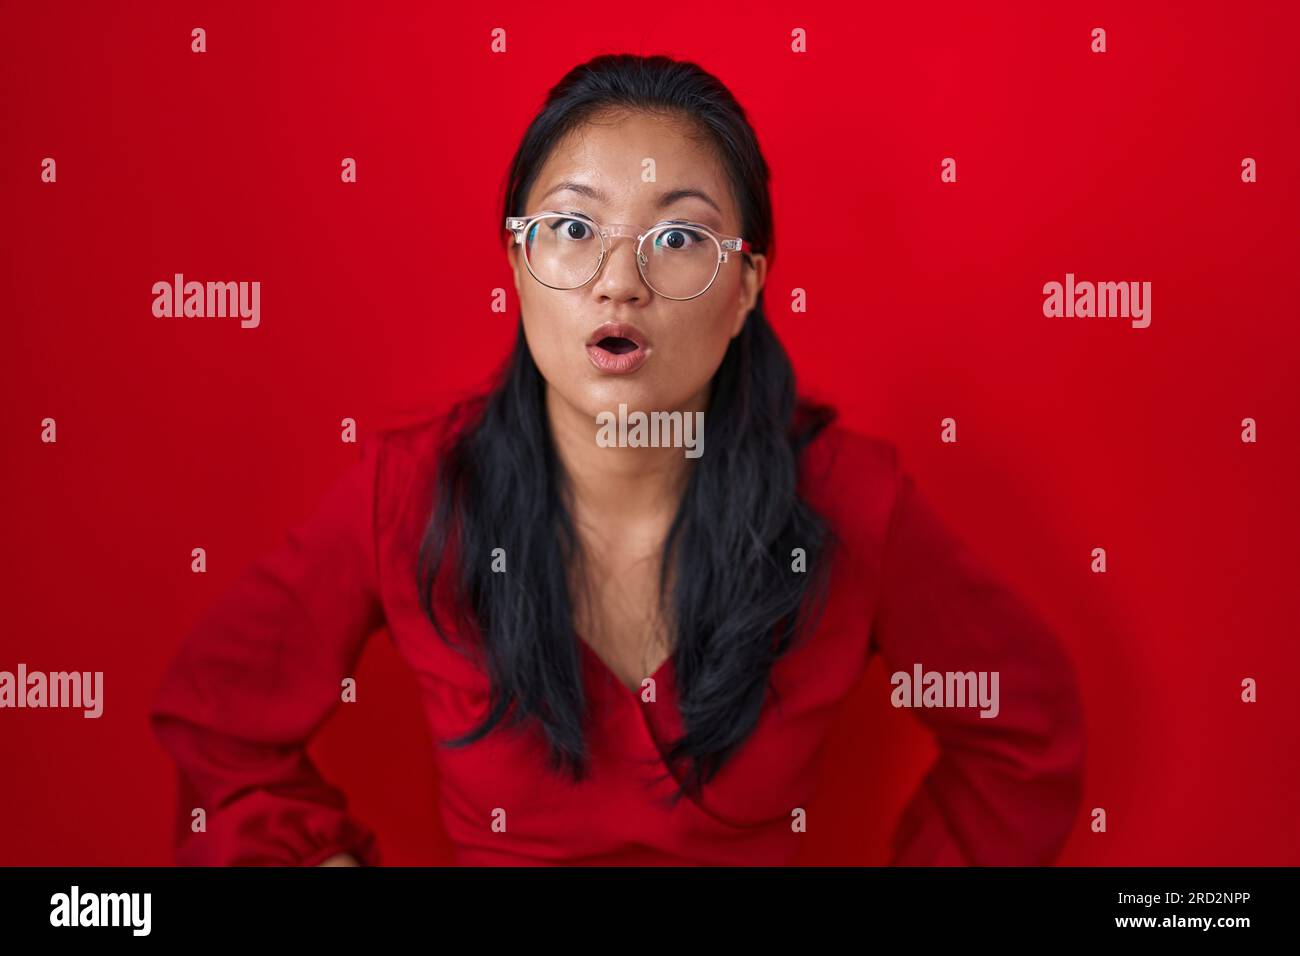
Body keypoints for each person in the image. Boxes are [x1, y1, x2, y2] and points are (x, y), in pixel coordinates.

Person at [149, 53, 1085, 867]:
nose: (619, 279)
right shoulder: (414, 491)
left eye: (678, 238)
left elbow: (1025, 738)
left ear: (748, 283)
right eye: (571, 227)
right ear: (516, 264)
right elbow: (217, 723)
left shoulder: (849, 498)